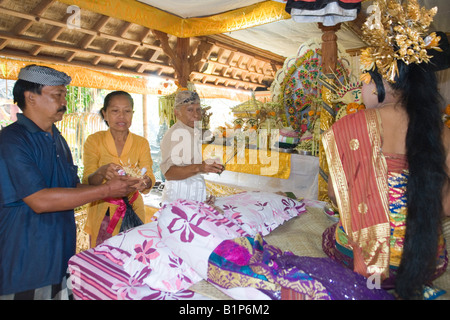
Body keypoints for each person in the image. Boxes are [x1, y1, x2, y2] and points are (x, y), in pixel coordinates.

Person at [321, 0, 450, 300]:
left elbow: (334, 194)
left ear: (381, 81)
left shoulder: (352, 124)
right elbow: (445, 207)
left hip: (363, 257)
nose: (361, 88)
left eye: (364, 79)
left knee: (333, 233)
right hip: (423, 261)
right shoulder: (441, 132)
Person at [0, 65, 138, 299]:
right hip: (26, 260)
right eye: (57, 95)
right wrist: (105, 189)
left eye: (64, 95)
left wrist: (111, 189)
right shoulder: (12, 141)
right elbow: (39, 200)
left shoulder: (57, 138)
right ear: (30, 97)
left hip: (61, 255)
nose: (64, 102)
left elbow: (71, 187)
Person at [83, 91, 155, 247]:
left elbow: (148, 173)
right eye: (115, 111)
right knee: (105, 258)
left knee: (134, 253)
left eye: (127, 111)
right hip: (104, 210)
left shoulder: (141, 143)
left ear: (132, 114)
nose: (121, 116)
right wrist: (102, 171)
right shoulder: (94, 141)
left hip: (133, 207)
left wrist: (145, 182)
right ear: (105, 114)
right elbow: (87, 180)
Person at [160, 90, 223, 204]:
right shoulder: (174, 134)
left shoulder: (195, 131)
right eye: (190, 110)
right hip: (178, 198)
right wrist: (199, 167)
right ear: (177, 113)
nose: (196, 115)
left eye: (198, 109)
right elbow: (169, 173)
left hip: (194, 196)